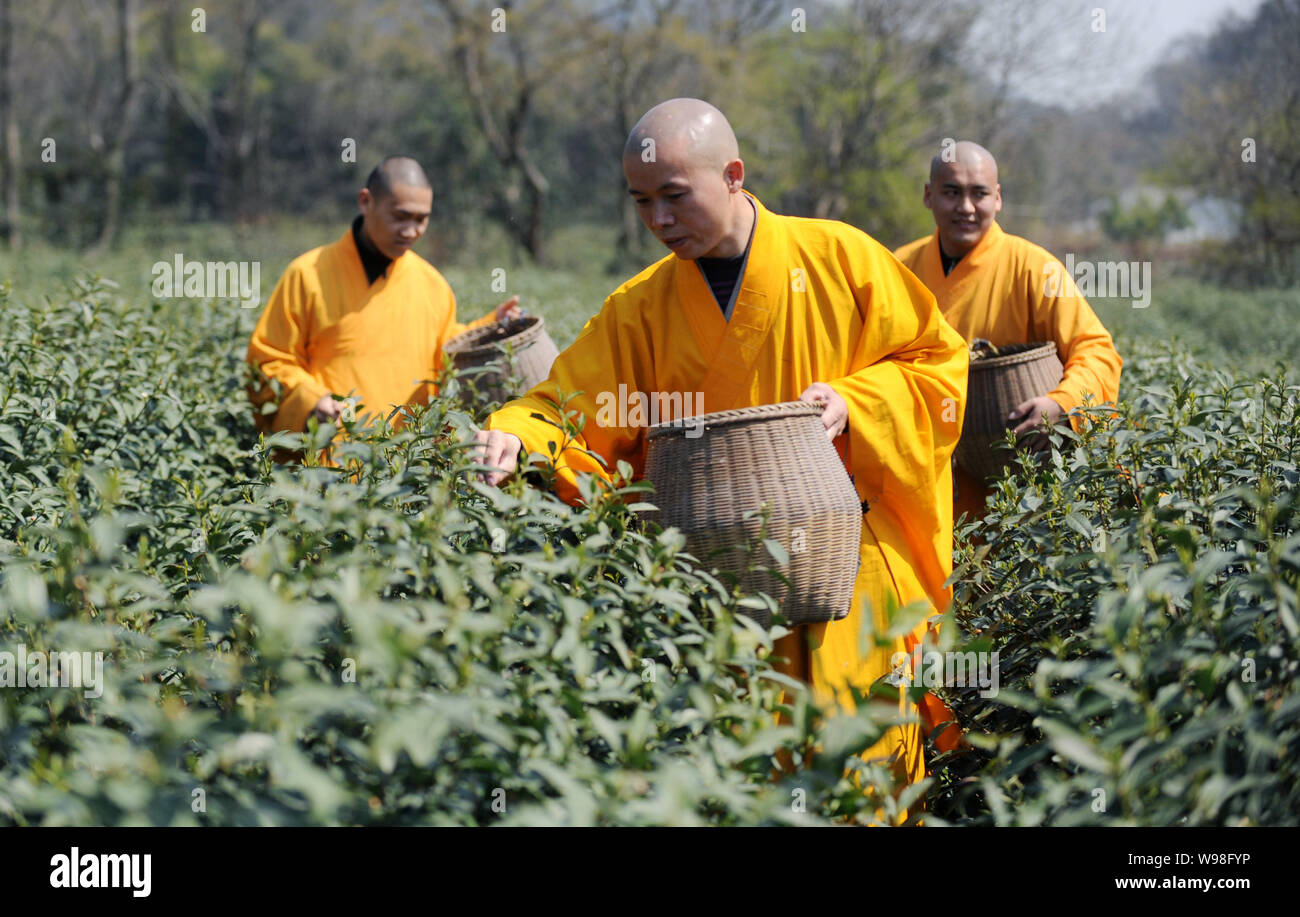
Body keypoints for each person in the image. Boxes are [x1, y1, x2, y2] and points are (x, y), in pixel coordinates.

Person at [473, 99, 967, 808]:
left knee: (867, 777)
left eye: (675, 197)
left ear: (733, 175)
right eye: (642, 202)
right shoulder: (639, 307)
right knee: (743, 778)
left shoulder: (841, 257)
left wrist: (859, 400)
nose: (659, 220)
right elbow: (564, 405)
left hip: (847, 568)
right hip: (717, 586)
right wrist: (518, 433)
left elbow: (937, 363)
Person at [895, 141, 1124, 524]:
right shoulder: (898, 268)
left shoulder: (1033, 268)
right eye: (951, 192)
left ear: (997, 198)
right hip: (923, 472)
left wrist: (1063, 403)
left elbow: (1097, 350)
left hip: (1018, 482)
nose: (966, 207)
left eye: (979, 193)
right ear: (928, 195)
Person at [246, 155, 520, 437]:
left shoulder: (433, 285)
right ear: (366, 201)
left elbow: (446, 354)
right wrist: (311, 400)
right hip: (330, 462)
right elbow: (268, 362)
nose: (411, 231)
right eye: (400, 216)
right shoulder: (307, 275)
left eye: (421, 219)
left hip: (408, 464)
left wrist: (490, 328)